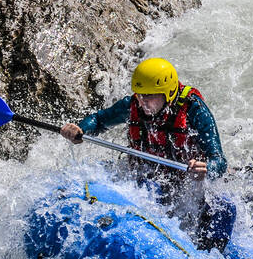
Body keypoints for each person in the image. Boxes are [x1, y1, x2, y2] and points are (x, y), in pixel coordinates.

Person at [59, 57, 230, 243]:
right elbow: (99, 120)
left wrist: (205, 170)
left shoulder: (195, 110)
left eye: (149, 96)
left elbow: (219, 161)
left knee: (224, 209)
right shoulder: (132, 104)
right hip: (146, 177)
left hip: (185, 184)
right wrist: (81, 129)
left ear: (168, 93)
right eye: (140, 95)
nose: (143, 102)